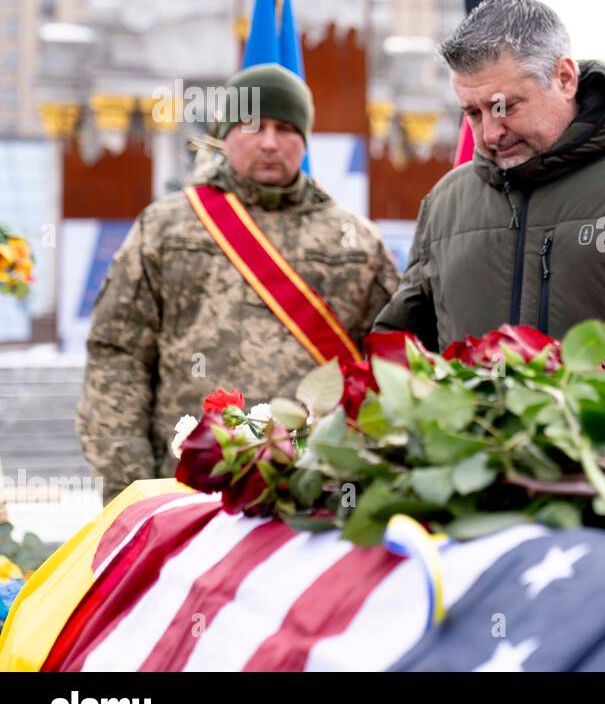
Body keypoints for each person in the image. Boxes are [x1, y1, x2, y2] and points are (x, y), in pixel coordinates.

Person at [78, 64, 399, 501]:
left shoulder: (356, 241)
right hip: (188, 488)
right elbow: (117, 357)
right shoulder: (167, 227)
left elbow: (388, 363)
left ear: (304, 139)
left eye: (285, 127)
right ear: (224, 134)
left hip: (317, 486)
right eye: (252, 126)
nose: (269, 142)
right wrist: (131, 487)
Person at [372, 0, 605, 351]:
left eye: (505, 107)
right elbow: (401, 349)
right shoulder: (445, 202)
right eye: (472, 113)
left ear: (565, 78)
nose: (489, 132)